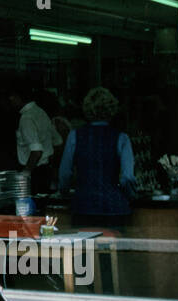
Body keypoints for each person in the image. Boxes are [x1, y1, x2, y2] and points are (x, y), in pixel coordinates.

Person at [58, 86, 136, 226]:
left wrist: (64, 192)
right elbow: (127, 178)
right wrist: (129, 196)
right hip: (114, 208)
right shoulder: (122, 138)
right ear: (112, 109)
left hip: (83, 206)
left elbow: (65, 174)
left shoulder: (74, 136)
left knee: (84, 247)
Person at [6, 83, 61, 193]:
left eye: (12, 97)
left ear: (19, 97)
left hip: (34, 172)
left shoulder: (26, 118)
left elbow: (36, 151)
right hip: (45, 170)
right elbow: (58, 141)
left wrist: (26, 173)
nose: (10, 100)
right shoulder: (40, 112)